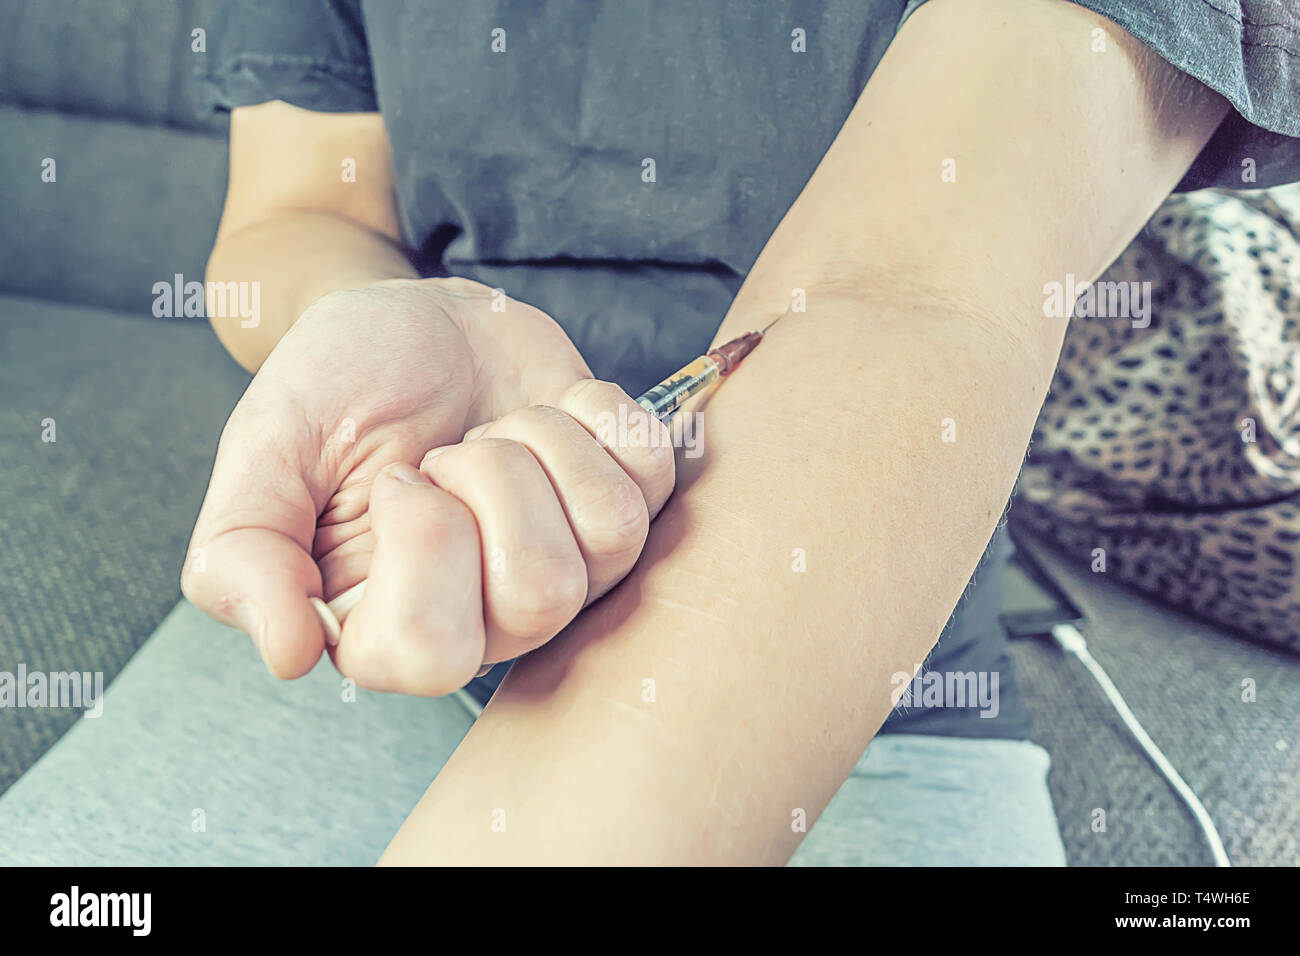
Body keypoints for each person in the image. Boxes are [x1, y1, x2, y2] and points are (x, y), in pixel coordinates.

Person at [2, 0, 1297, 865]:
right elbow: (287, 214)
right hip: (382, 610)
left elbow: (907, 298)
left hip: (869, 691)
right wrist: (389, 313)